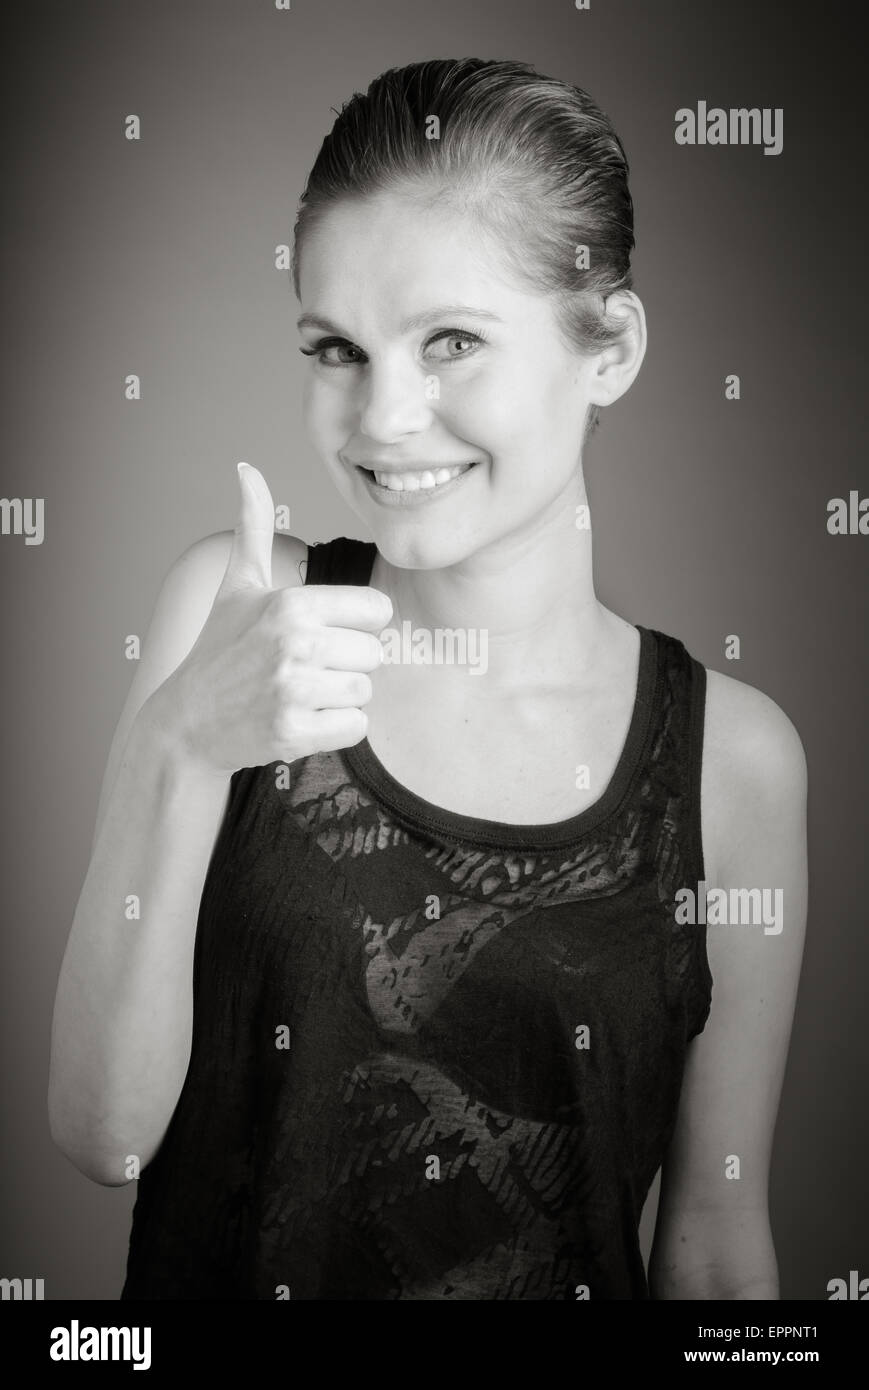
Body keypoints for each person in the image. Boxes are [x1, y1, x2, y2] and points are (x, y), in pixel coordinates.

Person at [48, 58, 808, 1300]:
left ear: (607, 345)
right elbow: (104, 1138)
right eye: (338, 348)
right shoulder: (236, 614)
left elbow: (716, 1241)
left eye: (449, 340)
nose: (382, 418)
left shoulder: (733, 763)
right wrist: (178, 746)